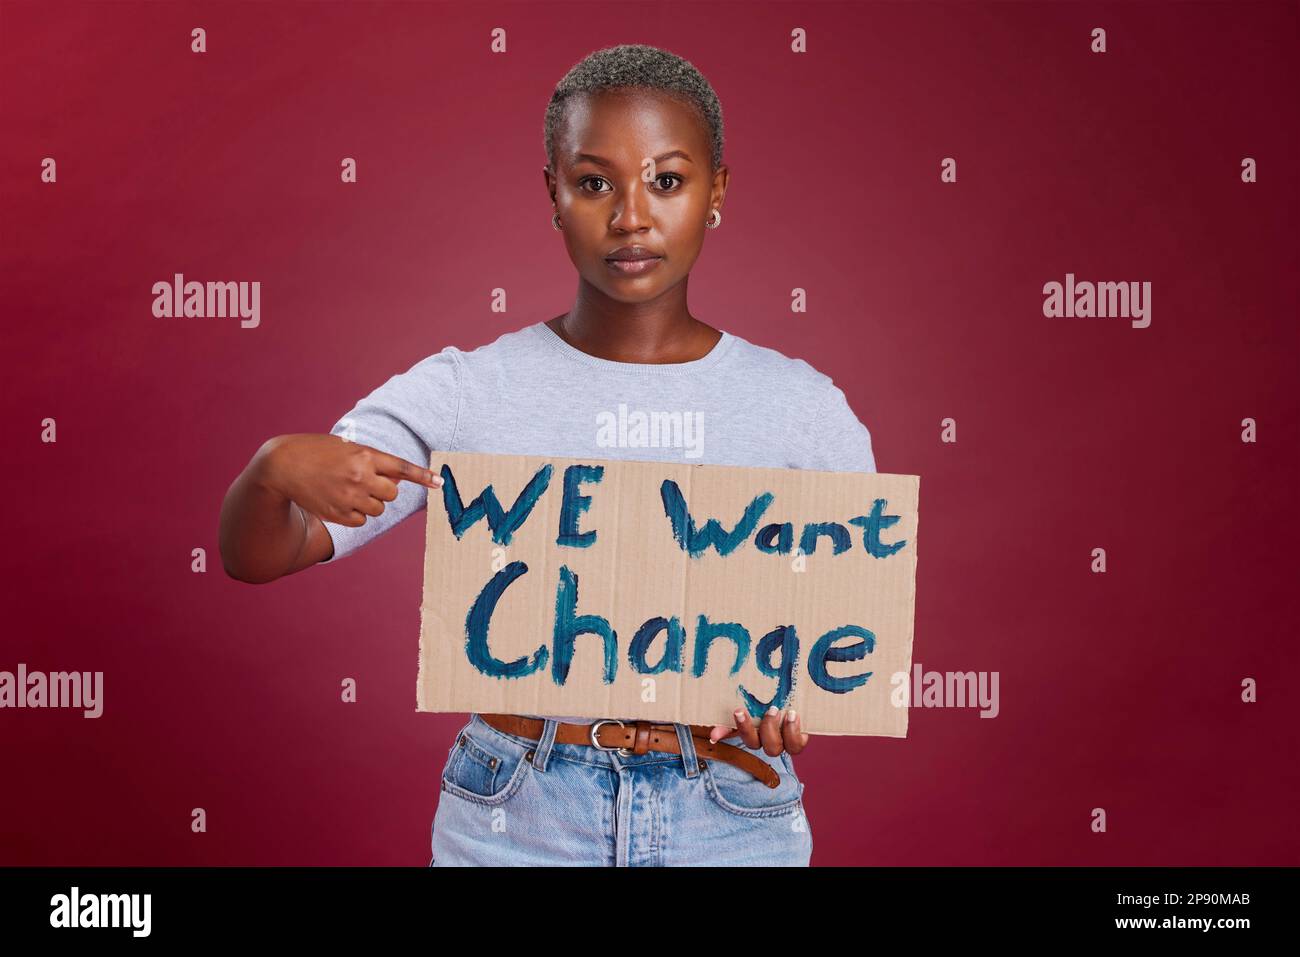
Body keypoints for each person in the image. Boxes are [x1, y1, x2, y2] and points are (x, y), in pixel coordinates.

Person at [219, 43, 877, 866]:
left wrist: (793, 702)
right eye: (595, 182)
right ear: (553, 193)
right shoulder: (466, 391)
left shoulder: (803, 410)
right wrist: (271, 467)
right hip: (519, 809)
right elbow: (257, 555)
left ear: (717, 193)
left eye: (667, 180)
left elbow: (849, 639)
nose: (632, 216)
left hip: (730, 809)